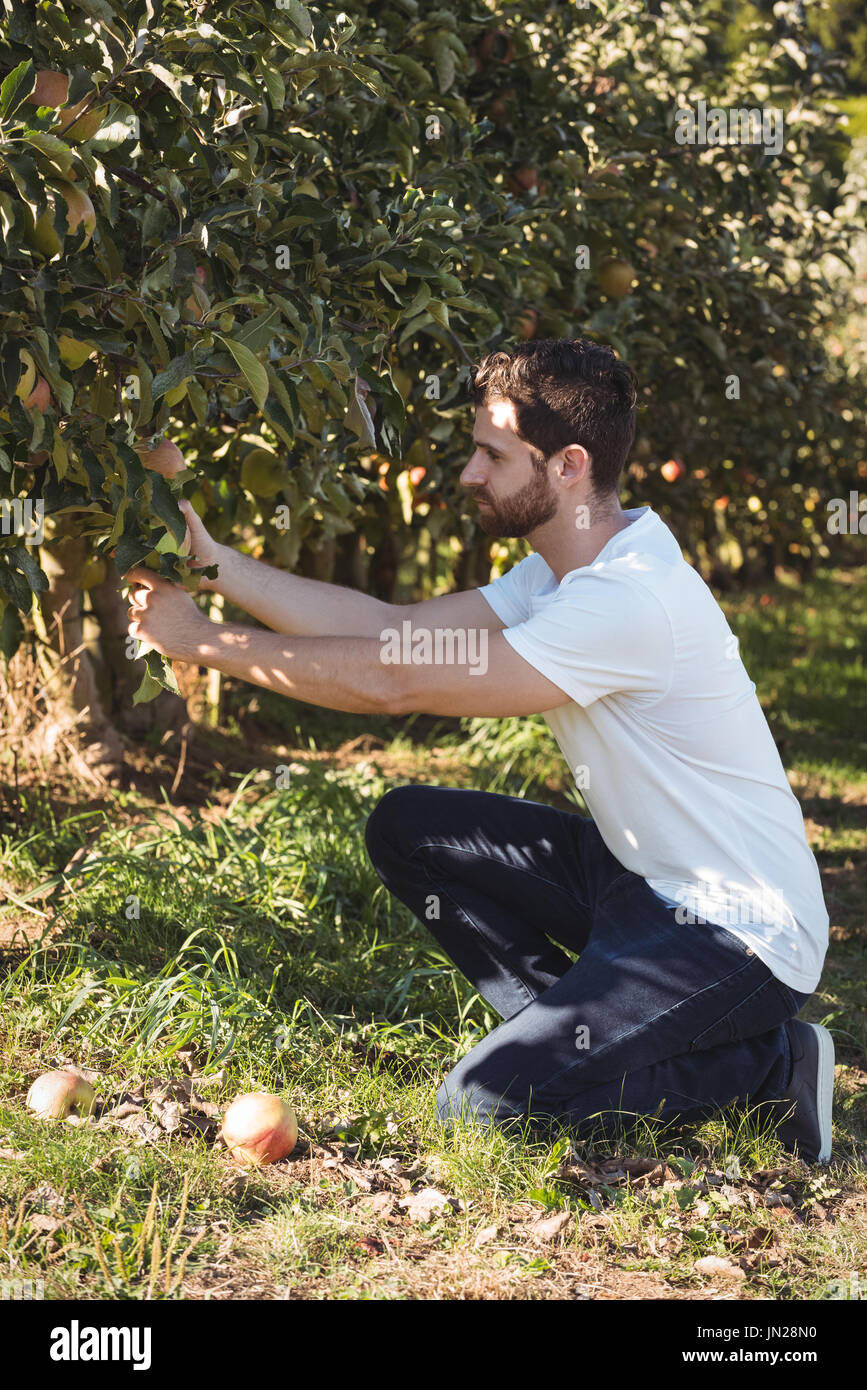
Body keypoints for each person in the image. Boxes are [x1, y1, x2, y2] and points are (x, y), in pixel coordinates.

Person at [127, 337, 833, 1164]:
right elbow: (394, 632)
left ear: (567, 465)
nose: (468, 474)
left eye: (491, 455)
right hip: (639, 882)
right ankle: (575, 1038)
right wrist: (216, 567)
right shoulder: (565, 568)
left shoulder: (627, 600)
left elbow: (398, 684)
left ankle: (767, 1065)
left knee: (485, 1112)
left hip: (733, 930)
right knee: (409, 828)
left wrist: (201, 643)